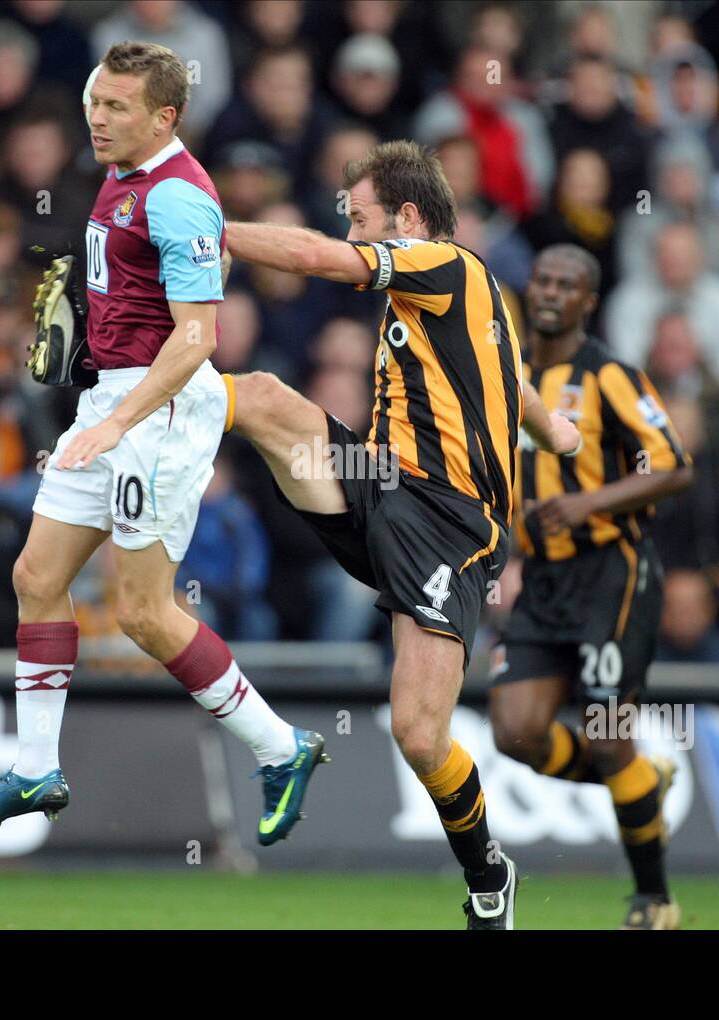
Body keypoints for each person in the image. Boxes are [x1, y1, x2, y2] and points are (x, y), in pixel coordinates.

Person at [0, 42, 325, 848]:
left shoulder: (180, 195)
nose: (98, 116)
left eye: (117, 106)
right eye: (96, 101)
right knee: (36, 575)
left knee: (146, 614)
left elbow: (196, 339)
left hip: (160, 411)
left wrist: (120, 420)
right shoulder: (123, 178)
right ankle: (36, 768)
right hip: (112, 396)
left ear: (166, 116)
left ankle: (282, 746)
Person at [221, 139, 580, 928]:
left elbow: (317, 259)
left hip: (451, 524)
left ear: (408, 221)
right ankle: (137, 390)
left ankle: (488, 875)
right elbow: (508, 376)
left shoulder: (443, 265)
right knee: (261, 398)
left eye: (361, 220)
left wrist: (214, 230)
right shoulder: (459, 301)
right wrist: (556, 432)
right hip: (382, 487)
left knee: (420, 733)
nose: (352, 236)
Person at [487, 244, 693, 930]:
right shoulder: (505, 373)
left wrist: (586, 504)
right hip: (544, 580)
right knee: (517, 733)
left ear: (588, 301)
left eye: (566, 284)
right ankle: (640, 783)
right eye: (543, 279)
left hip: (612, 573)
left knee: (607, 734)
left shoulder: (609, 375)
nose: (549, 292)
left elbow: (673, 466)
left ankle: (654, 899)